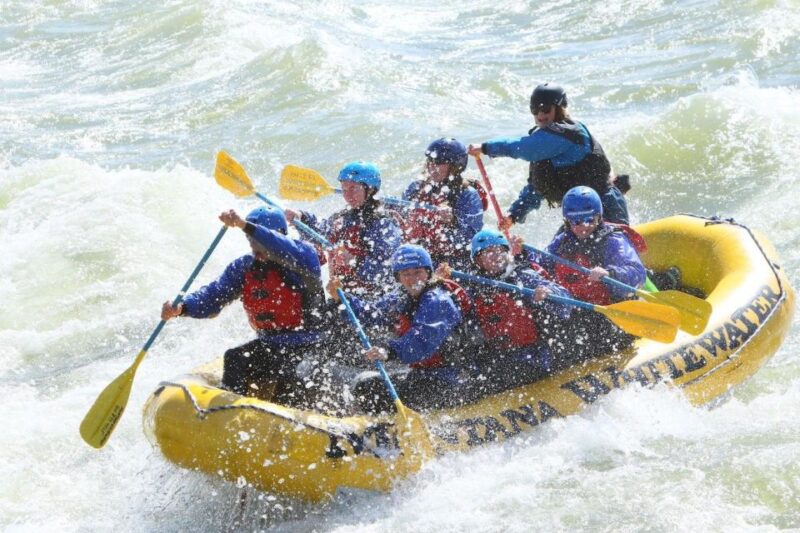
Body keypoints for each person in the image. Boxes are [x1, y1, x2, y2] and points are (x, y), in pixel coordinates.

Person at [161, 206, 329, 406]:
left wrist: (244, 225)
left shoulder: (304, 257)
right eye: (250, 240)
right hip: (272, 345)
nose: (254, 246)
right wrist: (182, 308)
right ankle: (226, 416)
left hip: (310, 346)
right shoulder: (245, 267)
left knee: (293, 380)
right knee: (235, 358)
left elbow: (278, 244)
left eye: (257, 239)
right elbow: (213, 295)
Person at [327, 244, 479, 413]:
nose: (412, 279)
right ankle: (372, 425)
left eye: (417, 272)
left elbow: (422, 341)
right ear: (398, 277)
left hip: (450, 378)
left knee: (378, 393)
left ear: (428, 273)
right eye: (406, 274)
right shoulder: (401, 296)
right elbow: (373, 314)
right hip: (422, 374)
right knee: (366, 386)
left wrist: (390, 351)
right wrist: (342, 299)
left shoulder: (438, 301)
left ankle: (385, 429)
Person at [468, 83, 630, 227]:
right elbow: (537, 187)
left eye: (545, 109)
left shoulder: (567, 133)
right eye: (535, 109)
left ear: (559, 108)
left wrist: (486, 148)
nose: (540, 114)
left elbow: (523, 148)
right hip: (576, 219)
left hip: (604, 208)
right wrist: (514, 215)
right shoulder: (542, 142)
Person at [438, 229, 572, 393]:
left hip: (534, 355)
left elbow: (566, 303)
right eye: (488, 252)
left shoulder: (523, 276)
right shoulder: (472, 285)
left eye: (499, 251)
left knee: (503, 373)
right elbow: (450, 312)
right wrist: (438, 284)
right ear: (478, 260)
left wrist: (548, 293)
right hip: (496, 356)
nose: (495, 256)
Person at [543, 186, 646, 357]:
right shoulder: (562, 241)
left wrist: (610, 273)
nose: (583, 226)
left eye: (589, 219)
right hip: (581, 309)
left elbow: (637, 273)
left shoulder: (613, 240)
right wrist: (519, 254)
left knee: (595, 335)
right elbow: (541, 262)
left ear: (599, 217)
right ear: (567, 222)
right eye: (576, 222)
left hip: (614, 310)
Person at [285, 161, 401, 296]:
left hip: (376, 297)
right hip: (343, 294)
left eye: (353, 188)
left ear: (369, 189)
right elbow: (320, 235)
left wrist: (354, 262)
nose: (347, 195)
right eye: (344, 189)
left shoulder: (382, 223)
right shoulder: (341, 219)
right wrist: (301, 218)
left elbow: (388, 265)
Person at [402, 138, 485, 269]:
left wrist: (452, 221)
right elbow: (402, 218)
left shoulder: (467, 194)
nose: (431, 166)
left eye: (438, 162)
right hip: (417, 255)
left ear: (455, 166)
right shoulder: (415, 188)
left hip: (452, 261)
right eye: (430, 160)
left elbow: (471, 240)